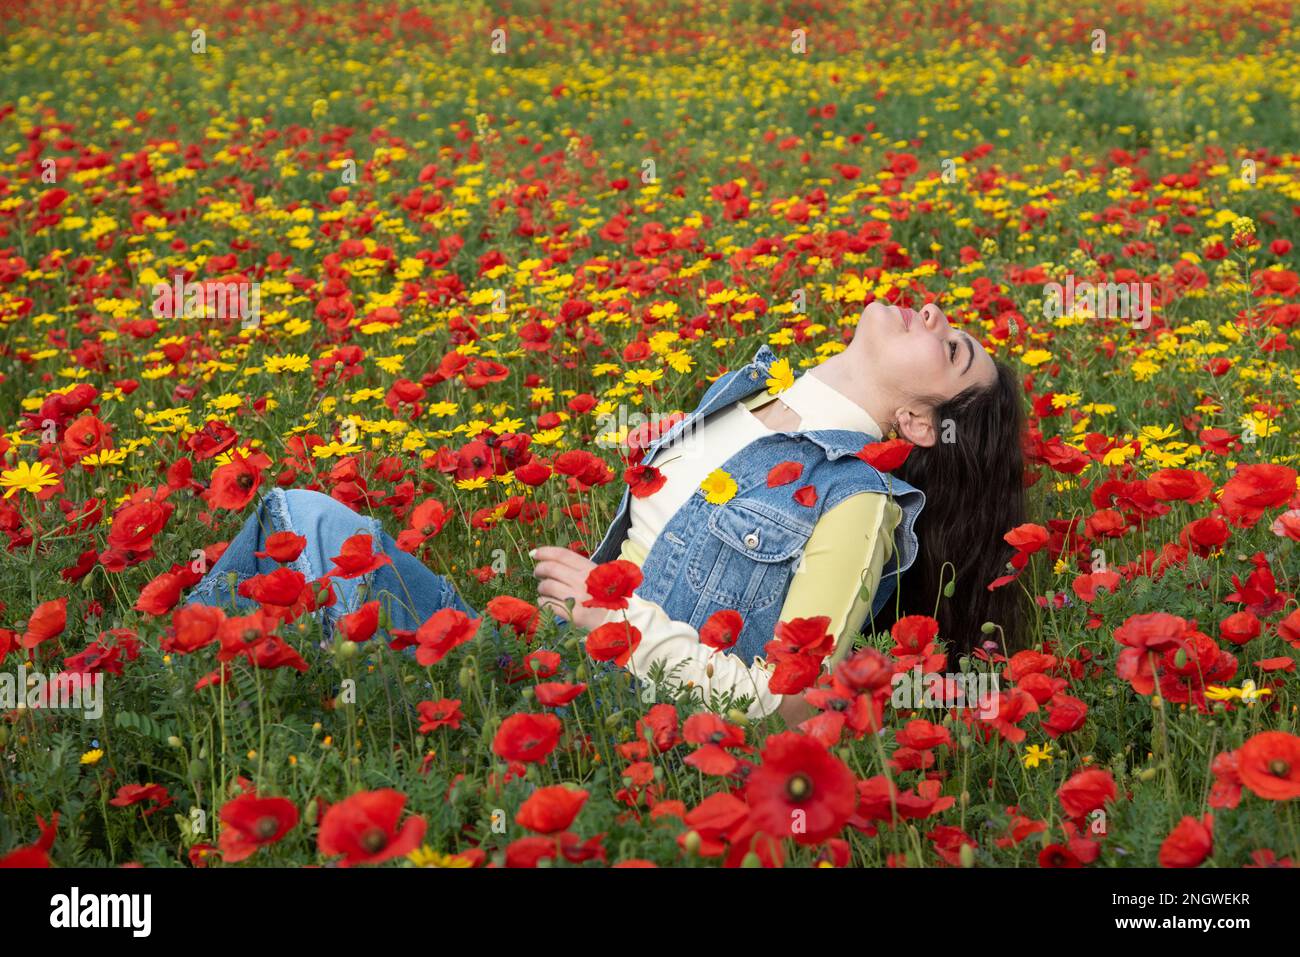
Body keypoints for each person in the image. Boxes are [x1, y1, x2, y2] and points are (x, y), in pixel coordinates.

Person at [187, 300, 1027, 725]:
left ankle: (191, 698)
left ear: (918, 423)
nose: (935, 315)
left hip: (587, 716)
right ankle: (196, 695)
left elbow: (786, 701)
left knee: (307, 523)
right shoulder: (748, 396)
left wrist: (609, 614)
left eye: (951, 349)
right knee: (292, 533)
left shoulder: (862, 503)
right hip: (533, 657)